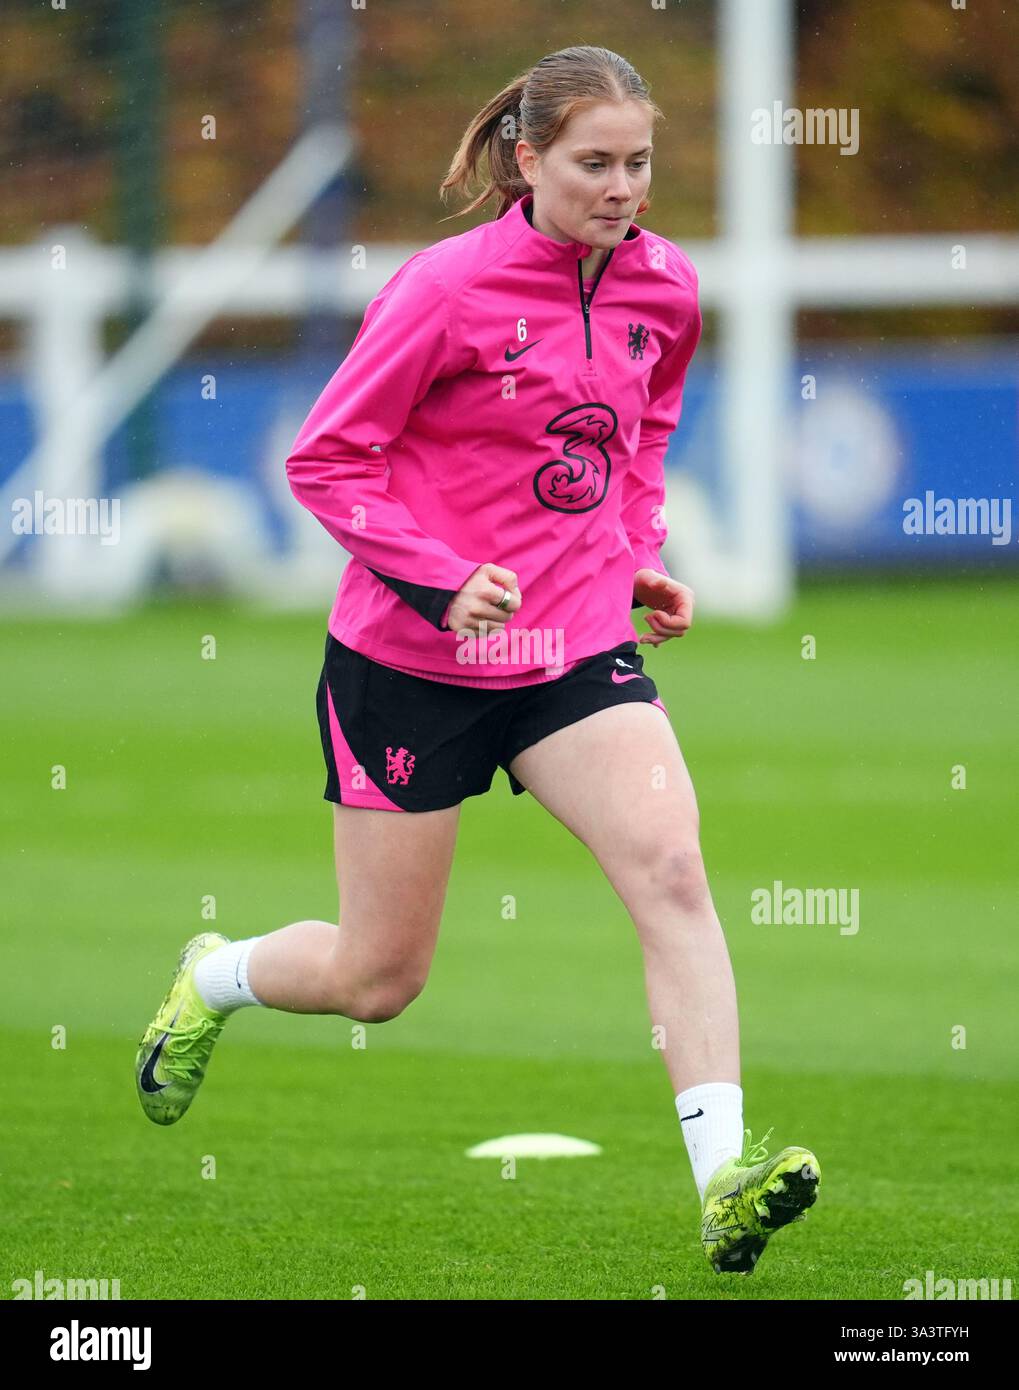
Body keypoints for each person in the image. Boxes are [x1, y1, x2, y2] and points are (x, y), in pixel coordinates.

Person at [135, 43, 819, 1276]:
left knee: (669, 866)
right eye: (593, 163)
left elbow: (640, 435)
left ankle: (723, 1180)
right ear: (527, 158)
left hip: (574, 653)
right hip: (409, 662)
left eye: (639, 163)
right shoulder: (444, 289)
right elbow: (327, 459)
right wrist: (442, 580)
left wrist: (636, 551)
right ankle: (216, 974)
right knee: (376, 978)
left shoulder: (664, 285)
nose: (621, 187)